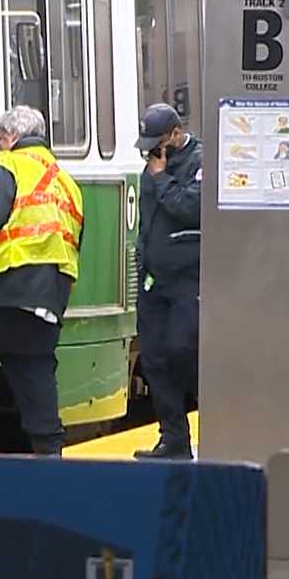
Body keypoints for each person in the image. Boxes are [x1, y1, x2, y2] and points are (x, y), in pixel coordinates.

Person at [0, 106, 84, 456]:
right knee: (35, 370)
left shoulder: (6, 166)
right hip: (50, 297)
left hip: (3, 290)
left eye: (0, 138)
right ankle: (50, 452)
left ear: (11, 138)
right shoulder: (67, 181)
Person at [133, 103, 201, 460]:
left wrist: (161, 177)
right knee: (155, 358)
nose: (151, 150)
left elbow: (191, 207)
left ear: (176, 134)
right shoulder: (151, 168)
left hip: (189, 281)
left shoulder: (200, 162)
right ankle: (173, 436)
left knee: (181, 350)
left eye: (157, 141)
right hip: (153, 281)